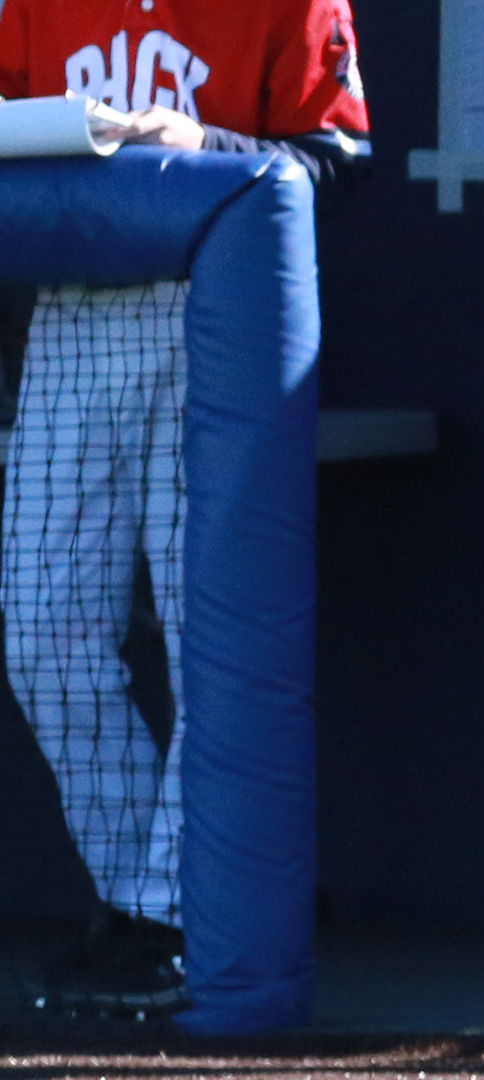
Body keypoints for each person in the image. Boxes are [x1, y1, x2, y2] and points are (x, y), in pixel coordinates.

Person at [0, 0, 370, 1017]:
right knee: (40, 631)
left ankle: (170, 916)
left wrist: (202, 145)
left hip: (221, 313)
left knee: (216, 638)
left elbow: (338, 157)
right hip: (70, 309)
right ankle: (144, 897)